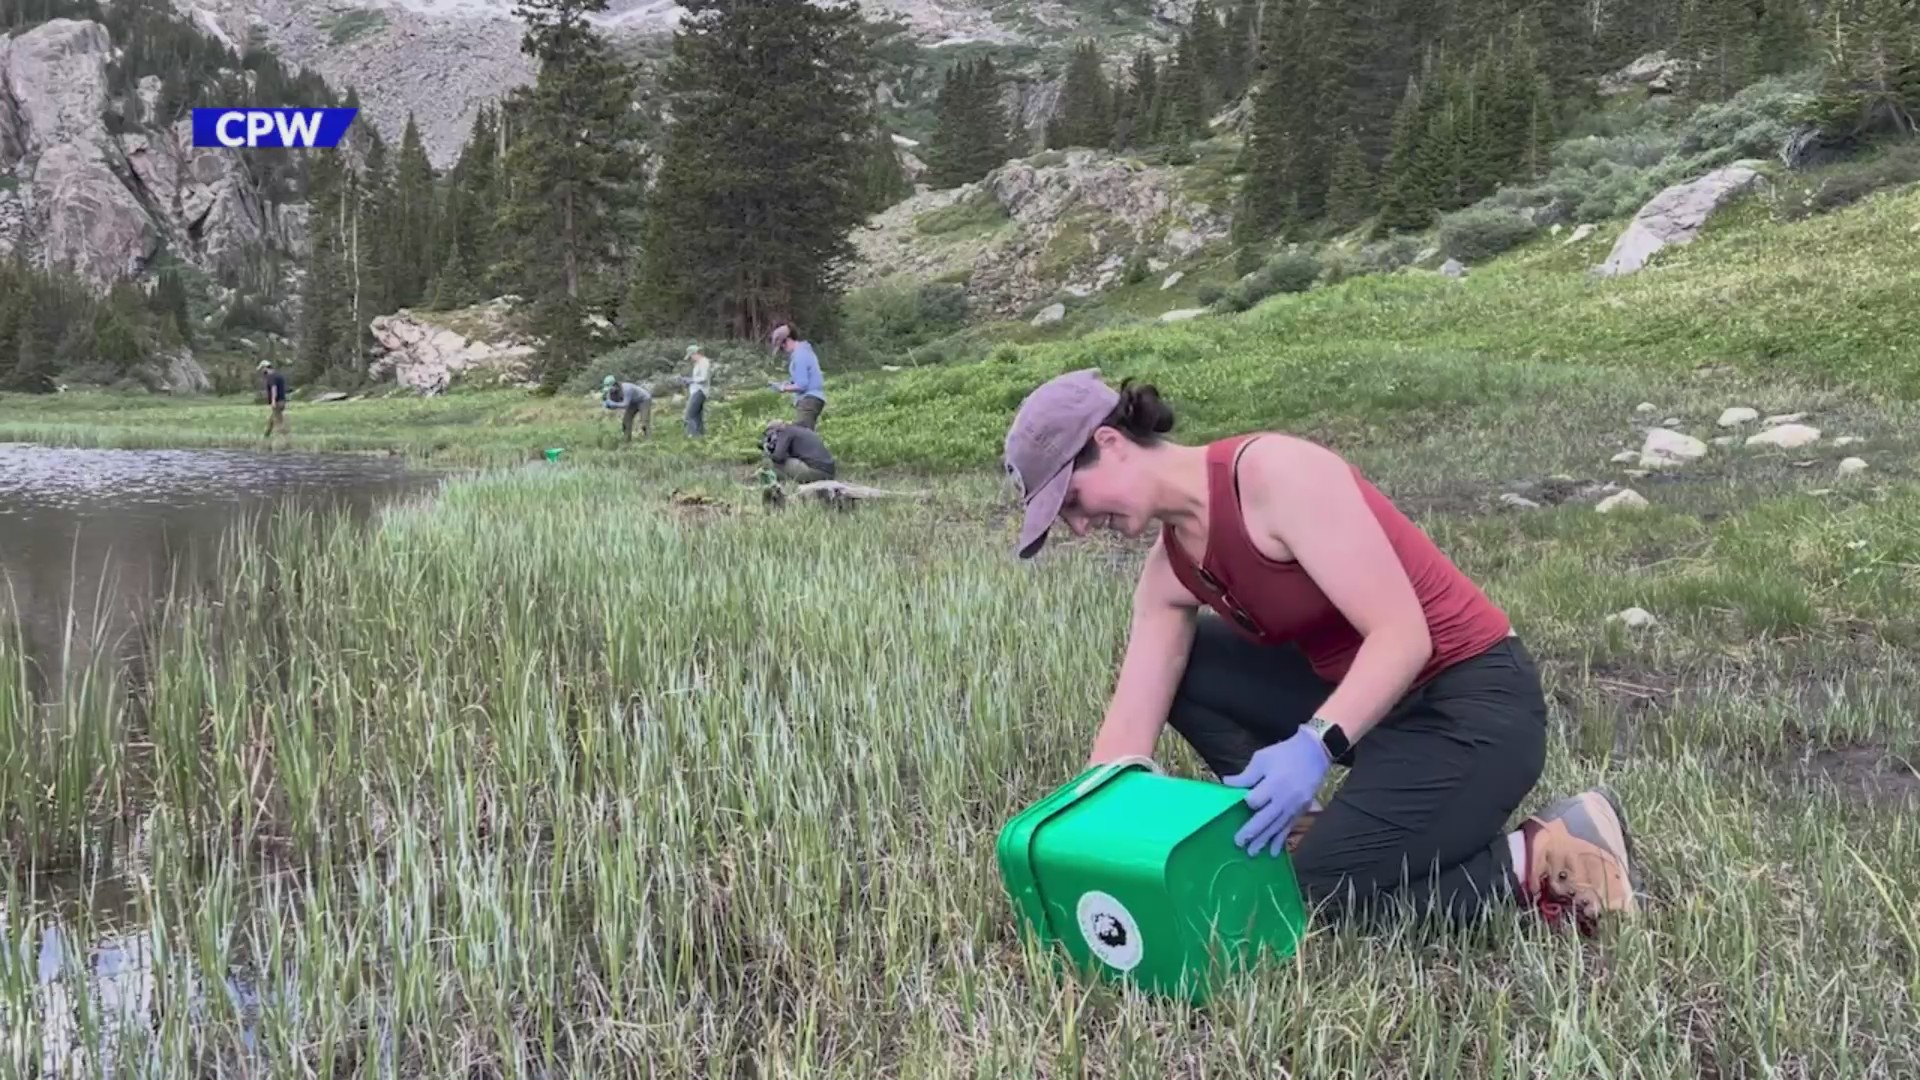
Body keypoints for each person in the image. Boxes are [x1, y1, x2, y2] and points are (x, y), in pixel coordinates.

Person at [1000, 369, 1642, 936]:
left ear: (1110, 445)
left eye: (1074, 502)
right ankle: (1299, 831)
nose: (1080, 527)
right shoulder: (1169, 572)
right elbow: (1128, 728)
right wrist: (1084, 834)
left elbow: (1403, 636)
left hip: (1472, 707)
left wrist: (1313, 745)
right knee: (1187, 669)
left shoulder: (1276, 474)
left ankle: (1545, 855)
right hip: (1382, 716)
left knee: (1314, 901)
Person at [769, 323, 826, 430]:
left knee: (803, 435)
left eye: (782, 346)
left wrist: (782, 388)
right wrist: (788, 383)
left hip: (808, 400)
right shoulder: (804, 351)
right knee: (805, 434)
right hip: (813, 399)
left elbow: (802, 385)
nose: (783, 350)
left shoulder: (800, 356)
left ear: (787, 340)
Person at [762, 418, 836, 482]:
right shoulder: (802, 429)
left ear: (776, 430)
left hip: (816, 471)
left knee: (770, 463)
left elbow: (778, 457)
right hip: (829, 472)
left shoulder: (786, 431)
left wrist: (768, 453)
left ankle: (788, 481)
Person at [601, 375, 652, 442]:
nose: (610, 391)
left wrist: (611, 403)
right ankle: (627, 442)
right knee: (626, 422)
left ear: (615, 385)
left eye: (610, 388)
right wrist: (607, 405)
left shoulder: (626, 388)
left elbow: (625, 404)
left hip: (644, 400)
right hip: (633, 402)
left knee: (644, 423)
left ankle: (649, 441)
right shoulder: (613, 392)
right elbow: (615, 406)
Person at [684, 344, 712, 438]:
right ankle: (700, 435)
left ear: (695, 353)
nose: (691, 359)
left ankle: (692, 435)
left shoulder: (703, 362)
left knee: (690, 414)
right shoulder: (699, 363)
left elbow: (703, 378)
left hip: (700, 391)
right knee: (697, 415)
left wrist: (691, 380)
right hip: (697, 391)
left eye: (691, 356)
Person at [259, 359, 289, 438]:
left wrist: (273, 401)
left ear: (265, 368)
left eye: (262, 369)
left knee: (278, 422)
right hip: (282, 401)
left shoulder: (271, 376)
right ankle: (266, 436)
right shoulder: (278, 375)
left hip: (277, 402)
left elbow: (274, 388)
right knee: (271, 421)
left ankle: (284, 437)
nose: (262, 371)